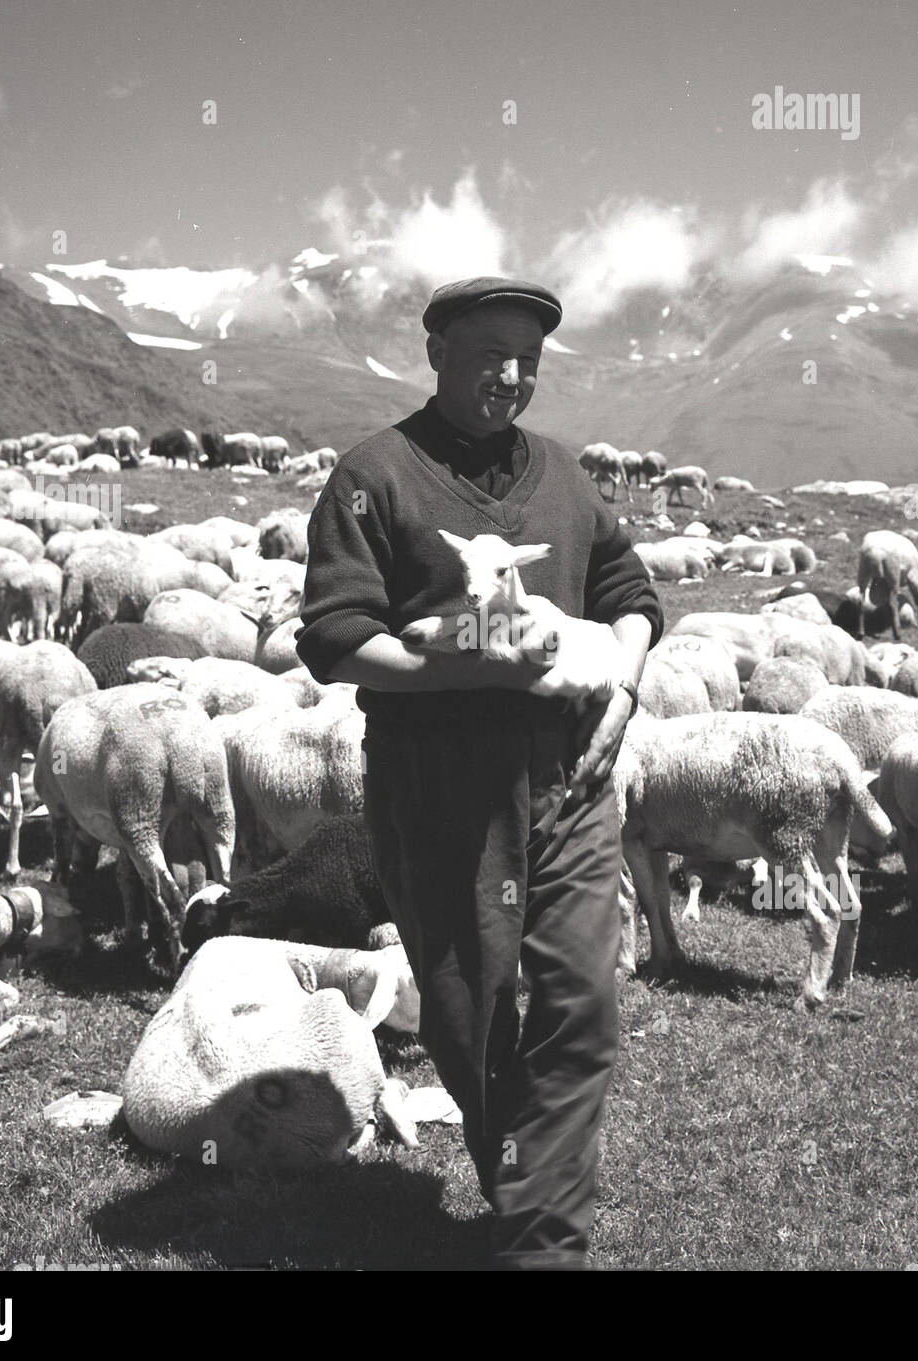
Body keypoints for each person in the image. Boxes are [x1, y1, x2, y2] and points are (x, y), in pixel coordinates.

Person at [295, 276, 663, 1269]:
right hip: (436, 782)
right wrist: (456, 664)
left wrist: (622, 678)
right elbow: (333, 636)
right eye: (490, 354)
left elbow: (630, 592)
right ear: (437, 355)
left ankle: (543, 1243)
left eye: (530, 360)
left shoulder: (563, 475)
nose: (512, 375)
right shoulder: (375, 475)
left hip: (567, 770)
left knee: (578, 1004)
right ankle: (522, 1175)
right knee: (467, 1015)